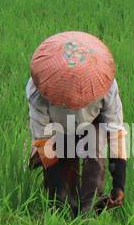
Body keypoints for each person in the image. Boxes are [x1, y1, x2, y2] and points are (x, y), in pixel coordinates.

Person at [25, 31, 127, 215]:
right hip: (55, 130)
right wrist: (60, 193)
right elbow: (44, 142)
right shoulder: (38, 89)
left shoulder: (105, 85)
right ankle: (61, 213)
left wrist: (119, 184)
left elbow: (116, 133)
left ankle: (88, 215)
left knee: (95, 160)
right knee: (60, 183)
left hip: (91, 124)